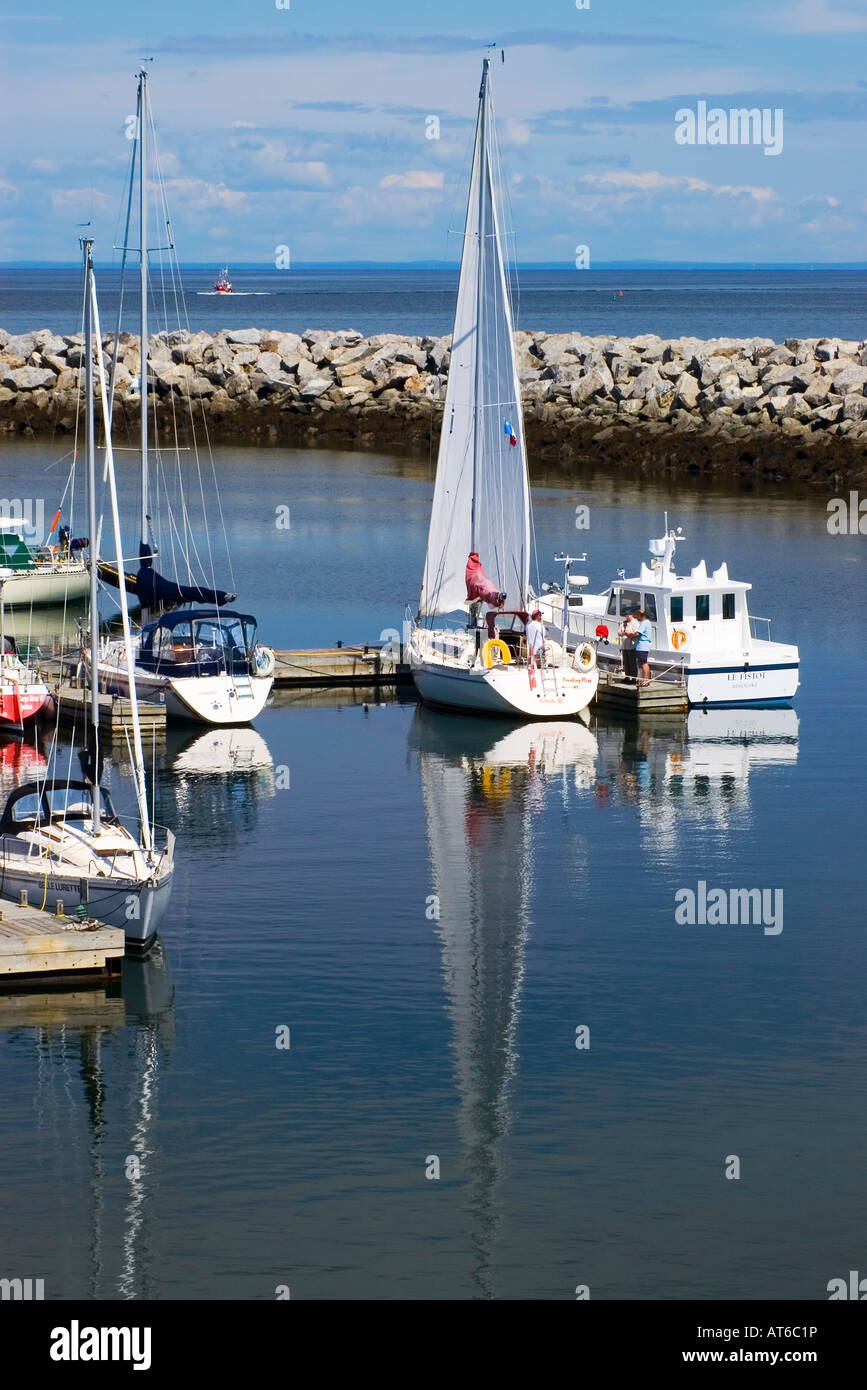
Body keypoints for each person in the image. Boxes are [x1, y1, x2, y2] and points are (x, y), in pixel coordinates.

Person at [618, 610, 639, 680]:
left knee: (632, 663)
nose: (627, 617)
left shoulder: (635, 623)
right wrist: (624, 633)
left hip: (631, 646)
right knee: (626, 663)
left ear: (631, 615)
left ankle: (633, 678)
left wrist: (628, 633)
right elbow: (619, 632)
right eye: (626, 616)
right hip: (624, 646)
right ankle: (627, 677)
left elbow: (636, 633)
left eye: (628, 616)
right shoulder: (624, 623)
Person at [634, 608, 652, 682]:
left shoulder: (644, 623)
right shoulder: (647, 622)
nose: (637, 617)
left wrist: (631, 635)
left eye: (638, 615)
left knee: (643, 663)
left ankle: (645, 680)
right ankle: (645, 679)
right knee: (643, 662)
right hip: (643, 646)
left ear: (641, 616)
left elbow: (637, 633)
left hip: (642, 646)